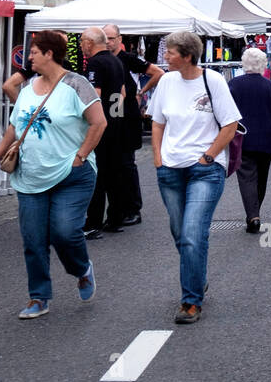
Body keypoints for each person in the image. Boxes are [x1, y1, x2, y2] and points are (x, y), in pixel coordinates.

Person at [0, 30, 105, 319]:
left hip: (71, 174)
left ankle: (81, 269)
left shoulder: (77, 84)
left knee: (64, 232)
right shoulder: (27, 89)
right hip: (30, 176)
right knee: (34, 239)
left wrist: (80, 156)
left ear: (49, 54)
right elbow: (14, 127)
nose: (29, 57)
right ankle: (39, 297)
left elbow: (98, 123)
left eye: (34, 52)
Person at [150, 30, 241, 325]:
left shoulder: (212, 81)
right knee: (181, 234)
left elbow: (231, 124)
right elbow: (157, 122)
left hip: (205, 169)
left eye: (170, 52)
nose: (165, 56)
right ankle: (196, 276)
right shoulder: (165, 81)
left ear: (187, 56)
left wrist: (209, 156)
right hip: (170, 168)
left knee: (192, 234)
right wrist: (157, 157)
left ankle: (190, 301)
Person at [104, 23, 164, 225]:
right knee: (113, 164)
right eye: (105, 38)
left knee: (127, 163)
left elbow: (157, 72)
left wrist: (141, 92)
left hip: (128, 115)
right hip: (111, 115)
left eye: (111, 38)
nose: (108, 42)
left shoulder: (128, 58)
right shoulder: (101, 60)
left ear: (120, 39)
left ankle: (133, 209)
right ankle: (118, 208)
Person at [228, 48, 271, 232]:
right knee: (261, 178)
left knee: (246, 177)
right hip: (267, 139)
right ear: (263, 65)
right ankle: (255, 212)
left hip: (243, 138)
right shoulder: (268, 85)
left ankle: (253, 216)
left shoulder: (233, 84)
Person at [80, 27, 130, 238]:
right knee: (113, 173)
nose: (81, 45)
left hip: (101, 125)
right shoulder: (115, 60)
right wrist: (114, 117)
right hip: (116, 121)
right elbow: (122, 93)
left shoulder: (96, 63)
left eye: (82, 41)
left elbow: (94, 96)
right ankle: (116, 218)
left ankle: (93, 223)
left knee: (97, 174)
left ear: (90, 43)